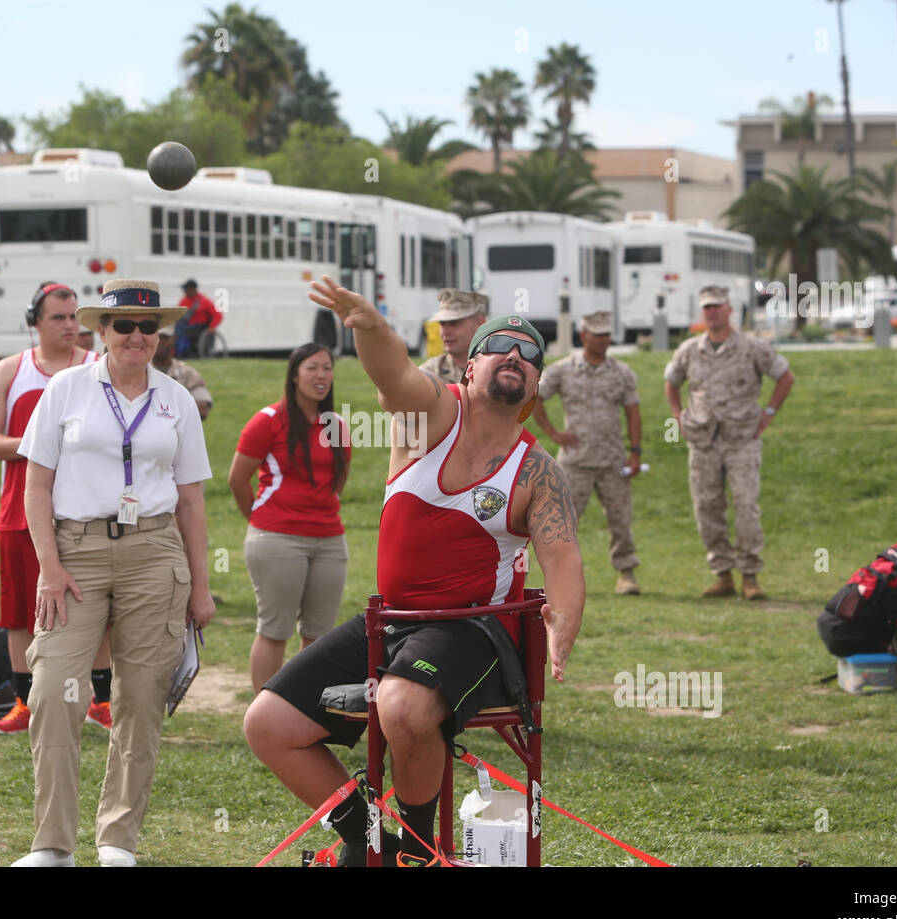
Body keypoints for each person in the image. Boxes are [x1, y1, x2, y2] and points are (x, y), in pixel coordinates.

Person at [243, 277, 584, 867]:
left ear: (534, 387)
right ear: (470, 366)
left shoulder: (537, 472)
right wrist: (371, 327)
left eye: (531, 356)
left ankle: (416, 853)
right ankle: (381, 841)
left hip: (477, 628)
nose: (516, 358)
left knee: (399, 705)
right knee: (266, 724)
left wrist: (562, 623)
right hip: (392, 621)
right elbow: (392, 374)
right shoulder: (430, 412)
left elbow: (563, 562)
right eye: (501, 346)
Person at [13, 278, 214, 867]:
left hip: (155, 551)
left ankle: (117, 839)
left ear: (159, 335)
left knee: (142, 696)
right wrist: (49, 567)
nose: (136, 336)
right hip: (74, 552)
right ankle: (52, 845)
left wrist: (200, 587)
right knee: (53, 692)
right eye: (123, 325)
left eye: (148, 327)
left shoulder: (175, 398)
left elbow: (192, 501)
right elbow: (37, 485)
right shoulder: (65, 390)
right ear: (100, 331)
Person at [0, 281, 115, 736]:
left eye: (75, 316)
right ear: (35, 321)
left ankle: (103, 700)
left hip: (87, 509)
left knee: (96, 604)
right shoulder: (10, 371)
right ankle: (25, 702)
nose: (70, 325)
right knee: (20, 610)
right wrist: (40, 446)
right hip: (20, 509)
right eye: (58, 317)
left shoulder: (98, 367)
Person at [228, 343, 350, 693]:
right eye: (312, 368)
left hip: (329, 539)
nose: (321, 375)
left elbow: (337, 481)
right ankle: (265, 717)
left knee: (320, 635)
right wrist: (259, 519)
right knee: (274, 630)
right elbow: (237, 480)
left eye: (327, 368)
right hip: (277, 538)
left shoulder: (337, 425)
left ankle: (304, 713)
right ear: (295, 375)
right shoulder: (267, 421)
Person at [664, 286, 794, 600]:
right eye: (707, 307)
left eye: (717, 307)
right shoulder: (690, 350)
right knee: (707, 508)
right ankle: (722, 574)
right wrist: (678, 414)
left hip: (742, 440)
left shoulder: (752, 348)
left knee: (746, 505)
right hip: (703, 441)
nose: (712, 312)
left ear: (729, 310)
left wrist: (769, 413)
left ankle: (750, 575)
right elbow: (672, 380)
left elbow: (785, 377)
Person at [532, 311, 643, 595]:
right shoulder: (563, 370)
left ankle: (626, 573)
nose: (604, 340)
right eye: (598, 334)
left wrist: (635, 452)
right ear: (584, 337)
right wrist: (554, 434)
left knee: (621, 520)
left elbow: (633, 412)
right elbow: (534, 398)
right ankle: (561, 578)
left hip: (612, 459)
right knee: (564, 523)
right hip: (575, 462)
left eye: (607, 334)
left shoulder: (621, 372)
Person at [419, 289, 488, 384]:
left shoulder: (495, 367)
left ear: (480, 324)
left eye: (454, 323)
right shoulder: (431, 372)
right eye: (442, 324)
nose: (445, 332)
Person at [151, 324, 213, 419]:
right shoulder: (138, 371)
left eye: (165, 338)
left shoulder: (188, 373)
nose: (161, 342)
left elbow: (203, 409)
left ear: (174, 339)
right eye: (158, 337)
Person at [175, 279, 222, 358]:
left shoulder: (204, 301)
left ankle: (183, 353)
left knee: (184, 332)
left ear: (192, 289)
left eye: (186, 289)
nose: (184, 291)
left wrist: (212, 327)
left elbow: (218, 315)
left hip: (200, 327)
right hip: (185, 326)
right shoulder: (184, 301)